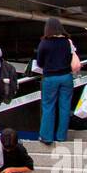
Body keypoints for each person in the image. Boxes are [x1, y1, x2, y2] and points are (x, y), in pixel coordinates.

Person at [35, 17, 76, 147]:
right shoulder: (67, 42)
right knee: (65, 107)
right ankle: (61, 136)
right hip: (66, 77)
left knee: (48, 106)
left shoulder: (44, 43)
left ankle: (46, 137)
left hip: (50, 78)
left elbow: (40, 62)